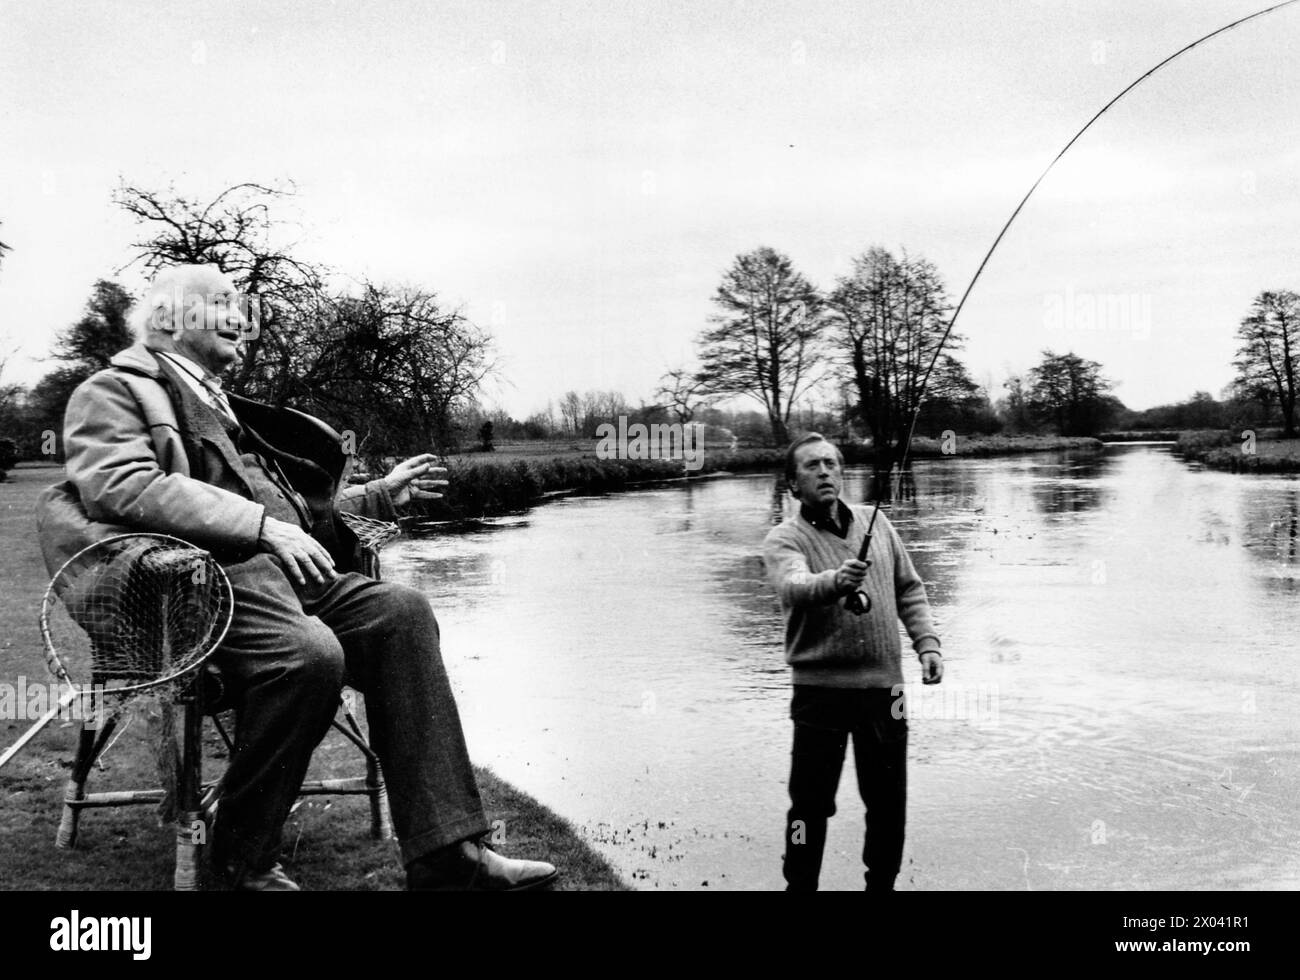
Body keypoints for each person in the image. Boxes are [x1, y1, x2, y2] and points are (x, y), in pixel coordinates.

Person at [37, 264, 557, 892]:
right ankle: (239, 857)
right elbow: (122, 488)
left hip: (291, 578)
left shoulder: (221, 401)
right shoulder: (113, 390)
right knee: (309, 657)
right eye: (224, 303)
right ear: (173, 319)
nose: (242, 318)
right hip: (207, 591)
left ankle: (448, 855)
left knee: (402, 613)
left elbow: (290, 514)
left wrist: (373, 497)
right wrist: (261, 528)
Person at [761, 433, 943, 891]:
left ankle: (881, 885)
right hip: (819, 692)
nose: (824, 472)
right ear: (792, 484)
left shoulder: (876, 523)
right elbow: (794, 587)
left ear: (842, 473)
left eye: (831, 464)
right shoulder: (784, 538)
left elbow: (909, 588)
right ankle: (799, 887)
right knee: (809, 805)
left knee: (888, 803)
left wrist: (928, 644)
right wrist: (837, 580)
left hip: (886, 690)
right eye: (811, 467)